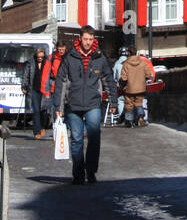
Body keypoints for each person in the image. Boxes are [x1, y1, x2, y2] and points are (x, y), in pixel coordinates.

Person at [53, 25, 117, 184]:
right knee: (76, 140)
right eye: (85, 39)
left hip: (93, 103)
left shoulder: (99, 58)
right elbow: (60, 83)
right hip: (73, 104)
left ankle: (91, 171)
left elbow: (108, 80)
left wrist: (113, 101)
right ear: (80, 39)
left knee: (94, 137)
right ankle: (78, 174)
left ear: (93, 40)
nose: (88, 42)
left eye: (91, 39)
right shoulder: (69, 57)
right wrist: (58, 108)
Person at [119, 49, 156, 129]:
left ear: (129, 53)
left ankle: (129, 122)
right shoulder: (143, 63)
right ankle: (140, 117)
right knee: (138, 103)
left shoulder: (126, 64)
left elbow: (124, 78)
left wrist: (121, 84)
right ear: (136, 53)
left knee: (129, 105)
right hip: (141, 88)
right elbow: (148, 75)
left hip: (129, 88)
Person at [21, 45, 53, 138]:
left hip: (44, 89)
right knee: (36, 110)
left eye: (42, 57)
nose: (40, 59)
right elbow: (25, 76)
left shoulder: (47, 63)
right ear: (35, 56)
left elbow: (50, 76)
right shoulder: (30, 63)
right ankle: (37, 131)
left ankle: (42, 126)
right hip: (33, 89)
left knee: (44, 111)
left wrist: (50, 87)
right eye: (38, 57)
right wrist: (24, 86)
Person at [112, 46, 129, 121]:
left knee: (121, 101)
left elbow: (114, 77)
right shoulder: (130, 62)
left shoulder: (117, 63)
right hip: (130, 85)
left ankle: (122, 117)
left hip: (120, 86)